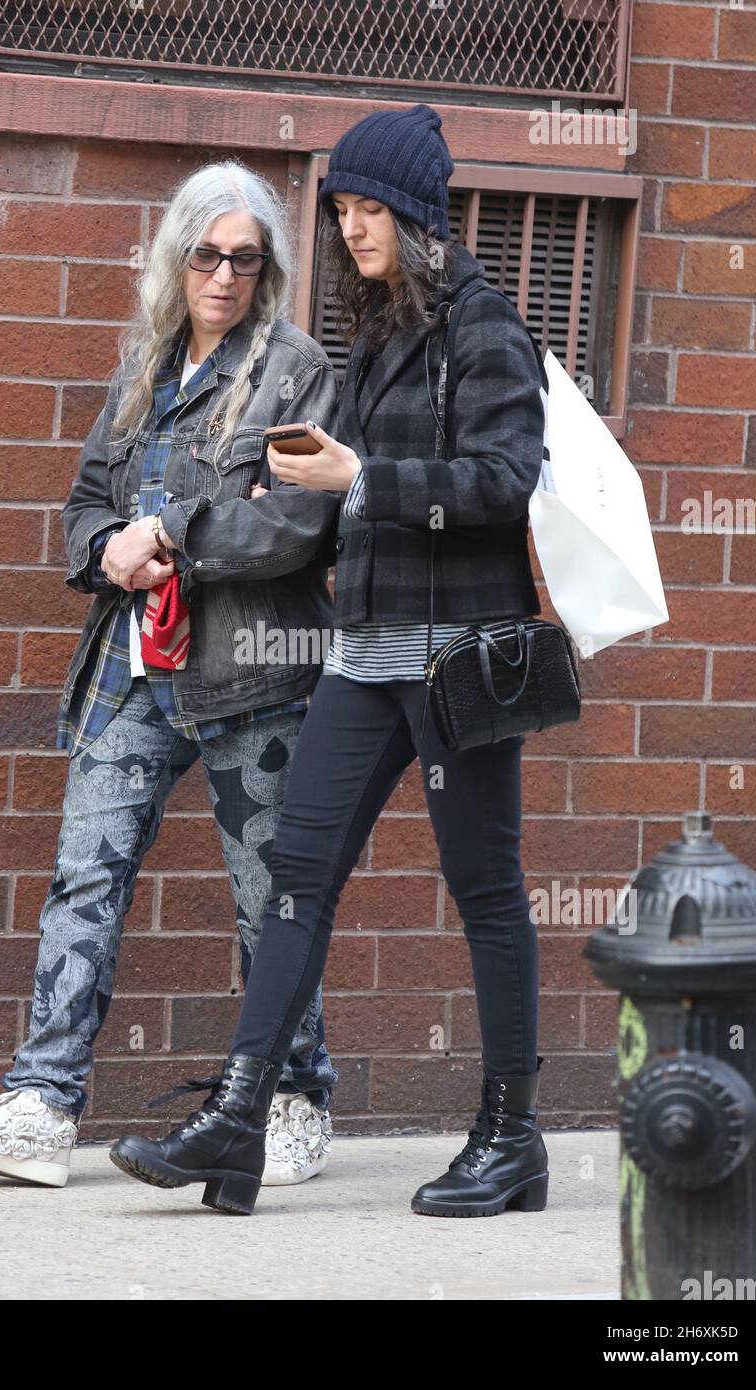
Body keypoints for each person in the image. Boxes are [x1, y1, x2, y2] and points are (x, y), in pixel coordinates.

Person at [110, 104, 550, 1217]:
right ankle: (238, 1121)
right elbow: (350, 481)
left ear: (413, 211)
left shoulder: (484, 325)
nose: (351, 229)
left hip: (454, 658)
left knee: (484, 886)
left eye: (368, 210)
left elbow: (504, 480)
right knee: (297, 872)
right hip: (364, 655)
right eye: (342, 208)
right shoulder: (377, 326)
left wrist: (360, 476)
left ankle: (513, 1138)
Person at [0, 160, 342, 1188]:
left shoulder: (293, 370)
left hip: (253, 676)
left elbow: (297, 522)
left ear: (267, 269)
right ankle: (42, 1103)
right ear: (177, 258)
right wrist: (109, 544)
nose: (226, 276)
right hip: (132, 668)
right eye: (207, 254)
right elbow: (82, 505)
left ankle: (293, 1098)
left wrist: (172, 533)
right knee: (85, 876)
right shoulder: (146, 364)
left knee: (268, 898)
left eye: (246, 258)